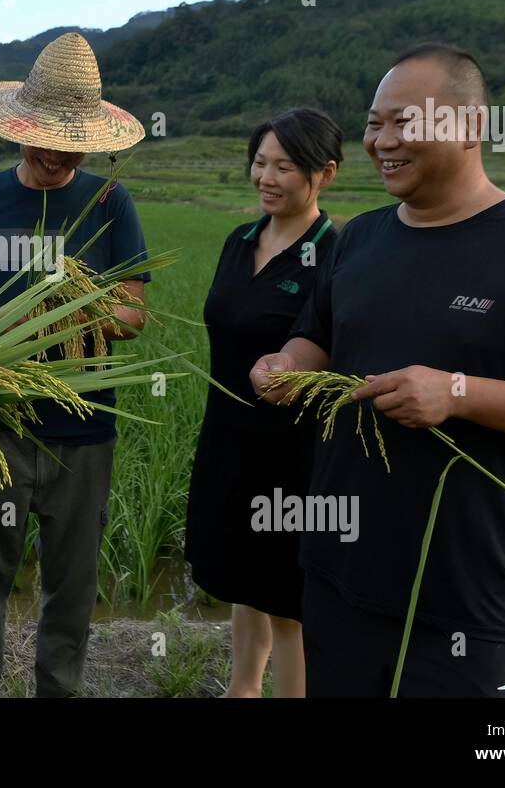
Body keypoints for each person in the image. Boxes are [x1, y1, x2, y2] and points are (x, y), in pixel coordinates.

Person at [250, 43, 505, 697]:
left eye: (407, 122)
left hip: (466, 592)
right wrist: (287, 364)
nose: (383, 140)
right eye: (375, 123)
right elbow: (316, 334)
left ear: (472, 127)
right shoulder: (360, 238)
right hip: (340, 572)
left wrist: (456, 393)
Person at [0, 31, 149, 697]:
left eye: (73, 142)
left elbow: (134, 316)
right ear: (18, 128)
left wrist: (79, 308)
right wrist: (10, 327)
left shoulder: (111, 205)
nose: (59, 154)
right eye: (46, 137)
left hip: (83, 435)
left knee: (72, 589)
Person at [186, 108, 341, 698]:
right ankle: (242, 688)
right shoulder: (239, 240)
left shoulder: (335, 252)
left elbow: (340, 347)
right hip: (227, 435)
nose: (266, 177)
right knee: (242, 577)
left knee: (286, 598)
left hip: (295, 452)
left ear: (323, 173)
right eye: (259, 162)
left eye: (284, 166)